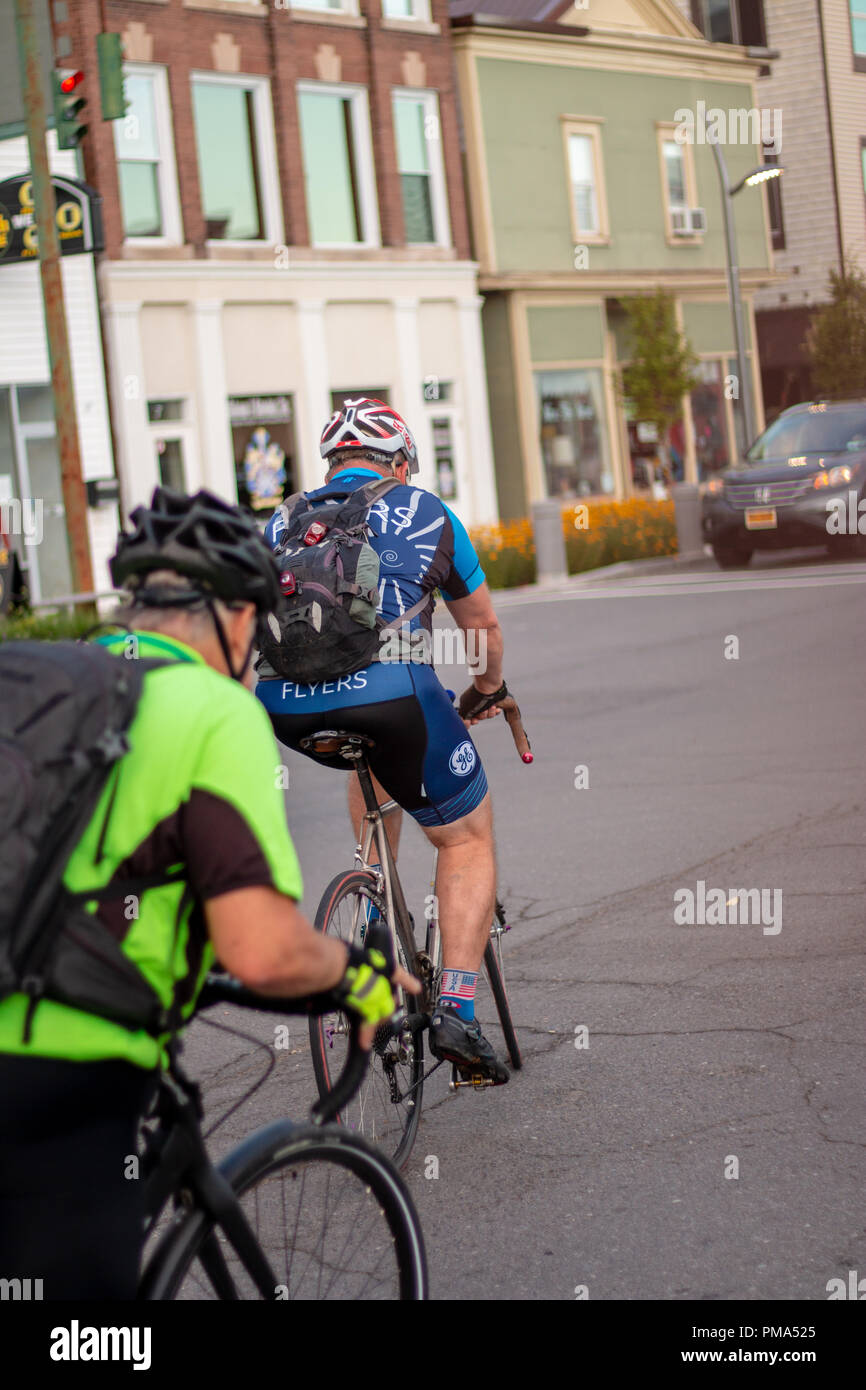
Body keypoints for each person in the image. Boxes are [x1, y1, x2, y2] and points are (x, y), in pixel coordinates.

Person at [0, 487, 415, 1300]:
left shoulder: (47, 685)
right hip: (59, 1077)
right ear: (235, 619)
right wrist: (356, 978)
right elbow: (259, 947)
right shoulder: (208, 707)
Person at [256, 397, 511, 1081]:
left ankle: (370, 889)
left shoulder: (282, 518)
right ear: (399, 461)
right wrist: (486, 689)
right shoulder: (428, 510)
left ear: (332, 461)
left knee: (360, 749)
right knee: (465, 835)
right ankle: (456, 1011)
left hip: (283, 703)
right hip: (395, 686)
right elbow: (480, 627)